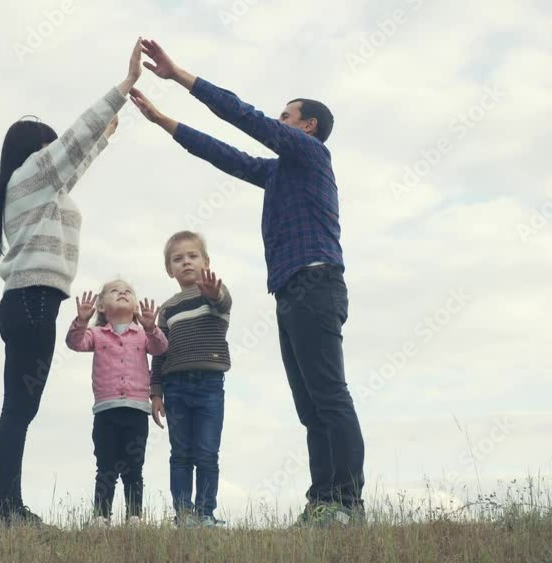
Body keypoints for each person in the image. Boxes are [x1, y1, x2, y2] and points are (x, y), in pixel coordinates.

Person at [131, 39, 366, 526]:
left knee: (329, 396)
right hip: (290, 292)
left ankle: (348, 501)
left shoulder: (312, 155)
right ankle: (324, 500)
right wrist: (163, 122)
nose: (278, 122)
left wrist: (180, 77)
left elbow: (243, 116)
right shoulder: (281, 173)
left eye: (287, 116)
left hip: (316, 283)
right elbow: (222, 154)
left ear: (308, 127)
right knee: (309, 406)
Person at [0, 38, 144, 526]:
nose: (56, 154)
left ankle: (8, 508)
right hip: (32, 304)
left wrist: (105, 138)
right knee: (18, 410)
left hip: (31, 305)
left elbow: (75, 159)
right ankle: (8, 508)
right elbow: (73, 142)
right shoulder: (32, 173)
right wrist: (124, 87)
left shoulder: (32, 186)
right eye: (50, 146)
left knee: (19, 409)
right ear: (38, 149)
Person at [65, 280, 167, 527]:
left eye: (128, 291)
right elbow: (74, 343)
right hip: (106, 412)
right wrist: (80, 321)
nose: (122, 292)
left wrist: (152, 327)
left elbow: (161, 347)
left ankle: (134, 516)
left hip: (136, 412)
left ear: (135, 307)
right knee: (106, 465)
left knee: (134, 466)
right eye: (114, 291)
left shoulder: (143, 335)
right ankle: (101, 516)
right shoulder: (96, 334)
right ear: (101, 306)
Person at [149, 231, 231, 528]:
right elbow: (158, 352)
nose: (186, 262)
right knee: (180, 452)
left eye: (192, 256)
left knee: (207, 452)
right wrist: (156, 391)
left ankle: (205, 513)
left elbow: (222, 302)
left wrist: (212, 293)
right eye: (178, 259)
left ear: (205, 261)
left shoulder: (214, 293)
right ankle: (183, 516)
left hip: (210, 386)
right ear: (169, 269)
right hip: (175, 387)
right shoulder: (168, 308)